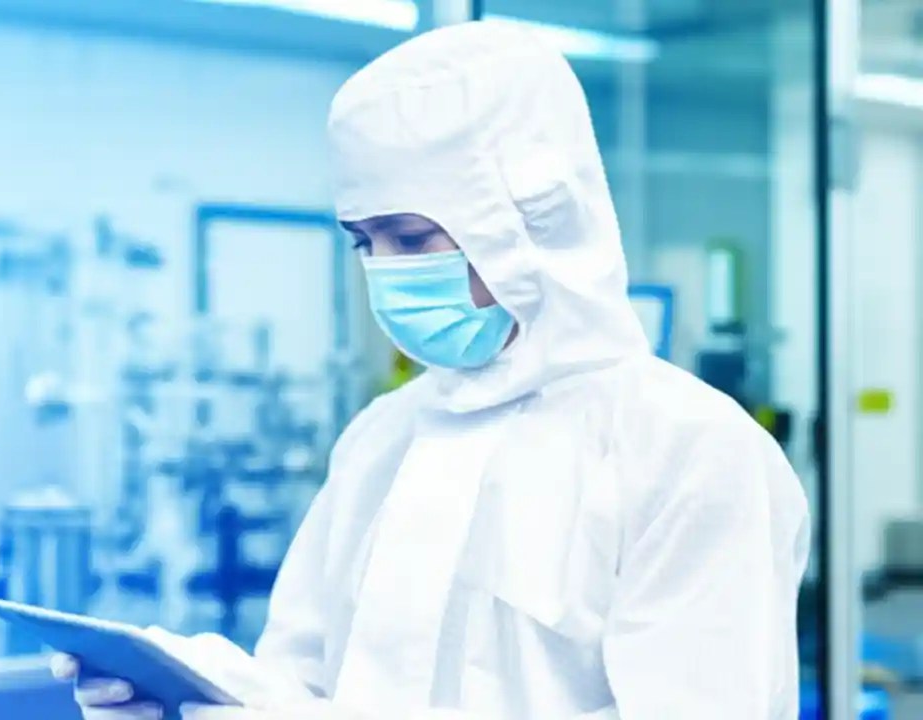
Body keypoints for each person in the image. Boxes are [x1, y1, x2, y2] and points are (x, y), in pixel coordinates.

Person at [53, 20, 811, 720]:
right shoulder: (383, 438)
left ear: (531, 219)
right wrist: (188, 703)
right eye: (364, 242)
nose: (385, 272)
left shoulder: (688, 450)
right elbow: (302, 684)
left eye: (413, 238)